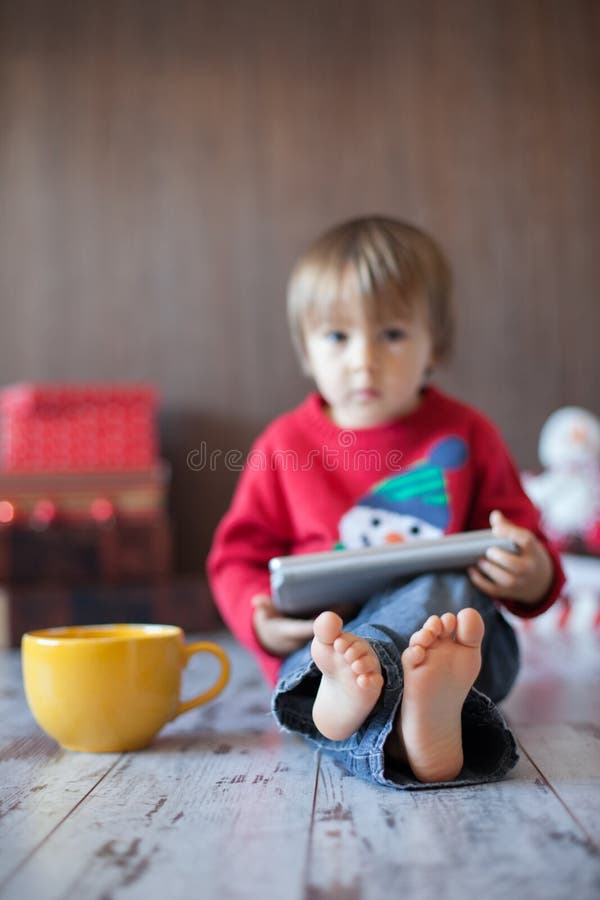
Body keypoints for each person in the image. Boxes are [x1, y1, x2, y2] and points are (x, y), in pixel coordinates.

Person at [207, 216, 564, 788]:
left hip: (456, 645)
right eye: (338, 337)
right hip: (326, 644)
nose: (364, 360)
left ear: (434, 346)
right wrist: (261, 617)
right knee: (331, 649)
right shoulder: (284, 445)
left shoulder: (468, 435)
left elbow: (522, 539)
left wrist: (529, 569)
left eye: (392, 334)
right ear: (305, 348)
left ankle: (369, 700)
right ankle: (410, 732)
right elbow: (235, 558)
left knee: (442, 588)